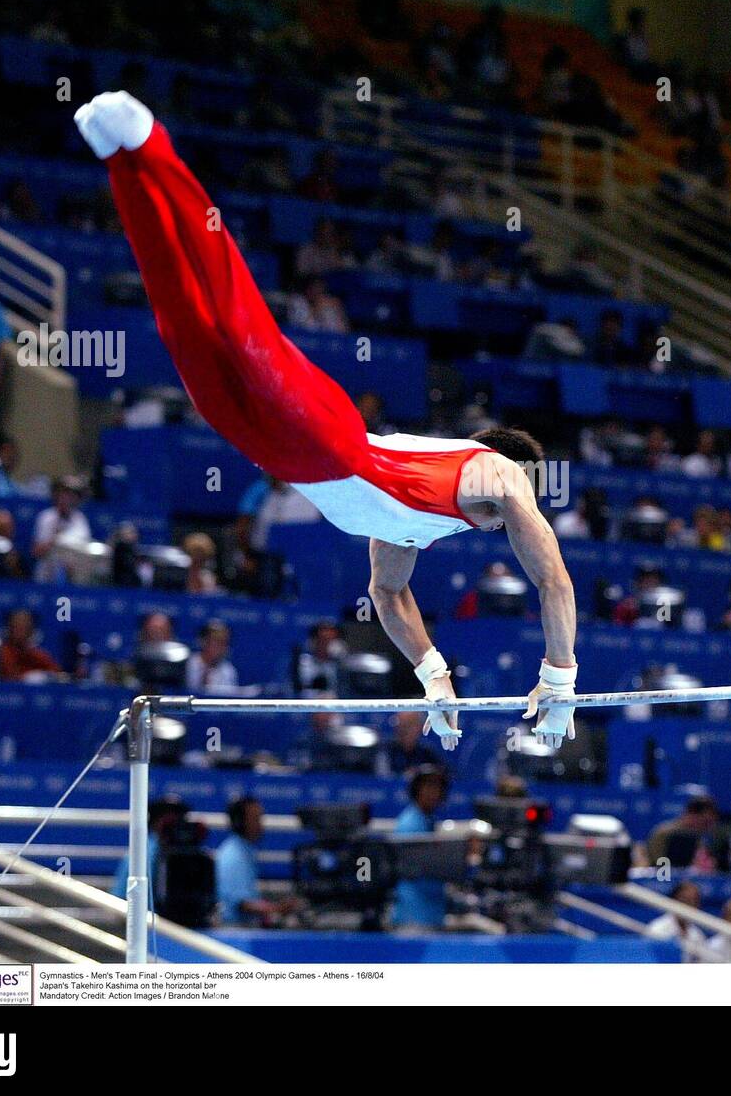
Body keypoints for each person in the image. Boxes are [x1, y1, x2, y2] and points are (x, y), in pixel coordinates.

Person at [76, 92, 580, 752]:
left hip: (279, 455)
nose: (512, 520)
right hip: (328, 437)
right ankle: (151, 145)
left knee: (183, 322)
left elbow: (389, 594)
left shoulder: (418, 525)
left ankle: (121, 163)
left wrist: (434, 677)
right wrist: (560, 674)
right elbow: (554, 577)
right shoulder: (494, 471)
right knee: (232, 318)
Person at [215, 797, 296, 926]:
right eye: (256, 819)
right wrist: (278, 908)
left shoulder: (244, 850)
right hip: (235, 931)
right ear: (239, 822)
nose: (260, 825)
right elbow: (243, 905)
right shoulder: (234, 855)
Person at [392, 766, 450, 931]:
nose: (434, 793)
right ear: (416, 790)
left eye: (437, 788)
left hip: (431, 915)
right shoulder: (410, 823)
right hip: (413, 919)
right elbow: (420, 870)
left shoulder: (428, 821)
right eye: (428, 787)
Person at [643, 881, 709, 962]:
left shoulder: (698, 935)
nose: (689, 906)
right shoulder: (657, 929)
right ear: (673, 901)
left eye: (694, 901)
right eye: (685, 900)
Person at [0, 608, 61, 681]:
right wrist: (27, 678)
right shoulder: (2, 654)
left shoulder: (38, 654)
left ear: (31, 629)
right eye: (17, 626)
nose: (21, 631)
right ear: (9, 628)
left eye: (25, 627)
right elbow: (10, 677)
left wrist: (44, 676)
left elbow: (57, 674)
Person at [185, 620, 240, 696]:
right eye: (217, 641)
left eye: (225, 642)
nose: (222, 647)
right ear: (203, 641)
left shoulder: (228, 670)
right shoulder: (186, 664)